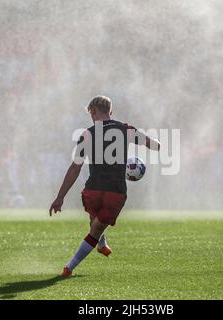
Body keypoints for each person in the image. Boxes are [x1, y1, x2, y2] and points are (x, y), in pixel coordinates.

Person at [49, 95, 160, 276]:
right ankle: (69, 267)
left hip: (92, 190)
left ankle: (98, 246)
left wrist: (60, 197)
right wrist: (155, 146)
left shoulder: (87, 134)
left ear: (92, 112)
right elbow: (154, 145)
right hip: (115, 192)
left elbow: (75, 168)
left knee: (95, 222)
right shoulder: (125, 129)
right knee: (96, 229)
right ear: (111, 111)